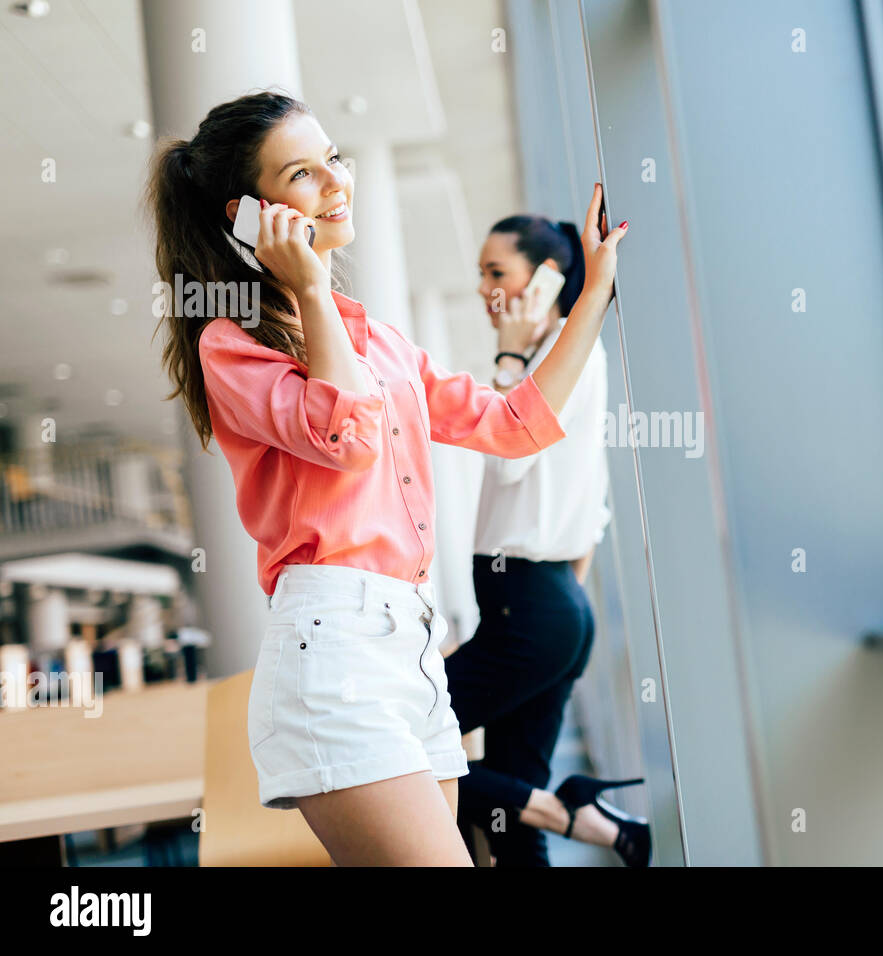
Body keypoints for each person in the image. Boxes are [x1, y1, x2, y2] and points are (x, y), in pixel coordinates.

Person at [146, 90, 627, 866]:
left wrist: (593, 296)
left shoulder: (376, 337)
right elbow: (348, 436)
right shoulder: (232, 346)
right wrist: (306, 287)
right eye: (303, 173)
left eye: (334, 156)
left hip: (410, 644)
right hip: (330, 649)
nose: (337, 182)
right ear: (250, 215)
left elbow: (511, 426)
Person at [443, 215, 651, 866]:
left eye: (496, 272)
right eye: (480, 273)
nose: (483, 288)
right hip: (552, 606)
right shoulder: (570, 353)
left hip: (534, 611)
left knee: (393, 745)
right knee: (510, 832)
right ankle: (567, 810)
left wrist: (506, 354)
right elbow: (594, 511)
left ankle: (572, 813)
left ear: (547, 279)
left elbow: (508, 457)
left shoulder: (555, 356)